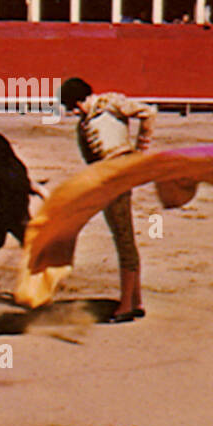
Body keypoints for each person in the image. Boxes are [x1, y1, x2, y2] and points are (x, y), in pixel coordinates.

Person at [58, 77, 156, 323]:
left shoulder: (110, 103)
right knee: (123, 236)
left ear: (80, 100)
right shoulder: (84, 124)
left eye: (73, 106)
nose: (74, 112)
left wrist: (140, 150)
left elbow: (148, 113)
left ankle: (126, 306)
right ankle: (135, 301)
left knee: (123, 238)